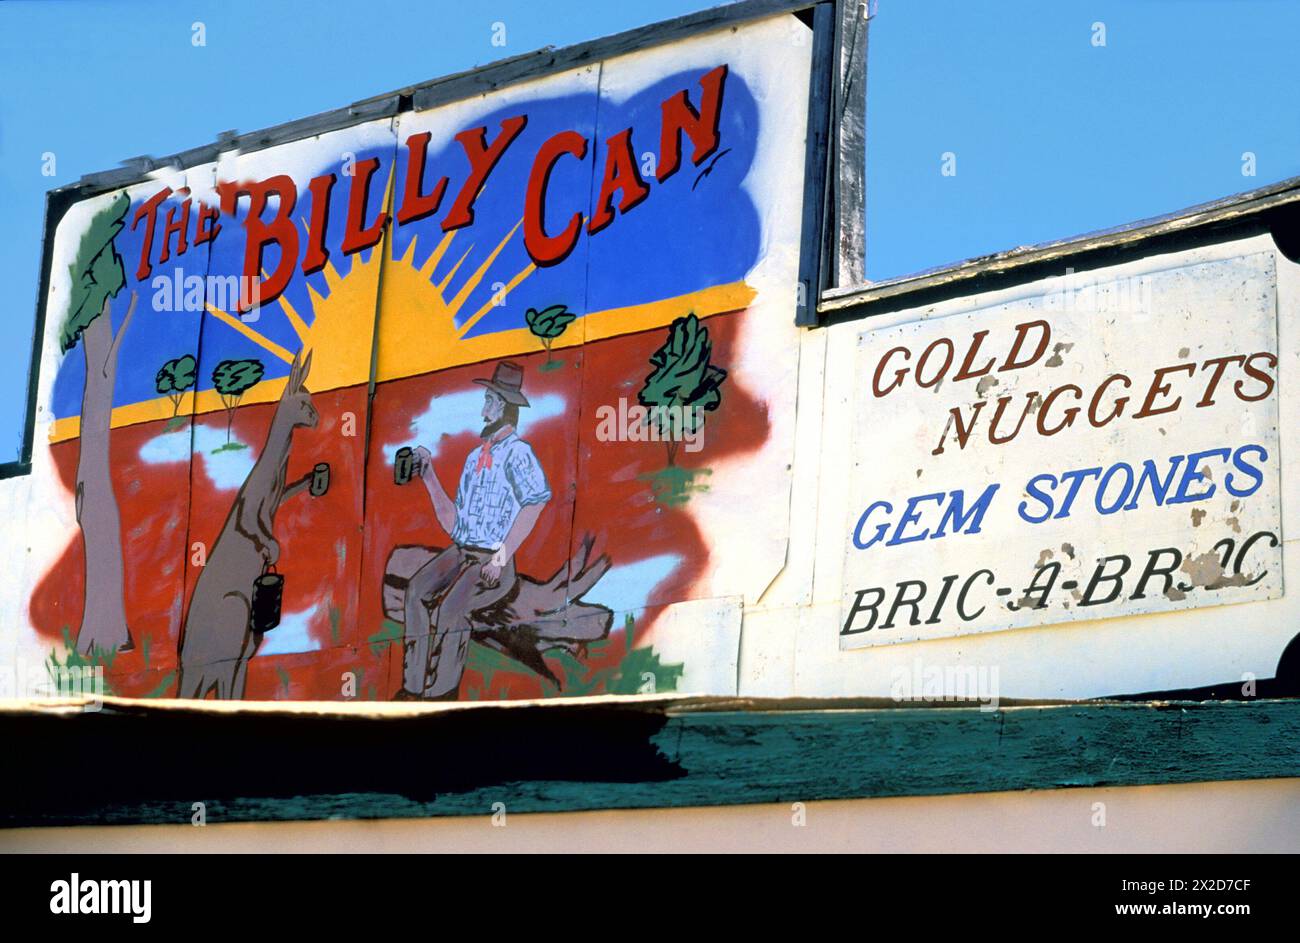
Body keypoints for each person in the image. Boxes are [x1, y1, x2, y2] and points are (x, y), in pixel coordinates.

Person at [396, 362, 551, 699]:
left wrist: (500, 557)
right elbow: (457, 525)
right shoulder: (473, 459)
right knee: (415, 591)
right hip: (462, 551)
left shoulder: (518, 454)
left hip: (493, 558)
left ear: (504, 406)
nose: (483, 410)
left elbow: (534, 503)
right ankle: (412, 687)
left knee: (450, 611)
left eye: (490, 401)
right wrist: (429, 476)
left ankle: (441, 695)